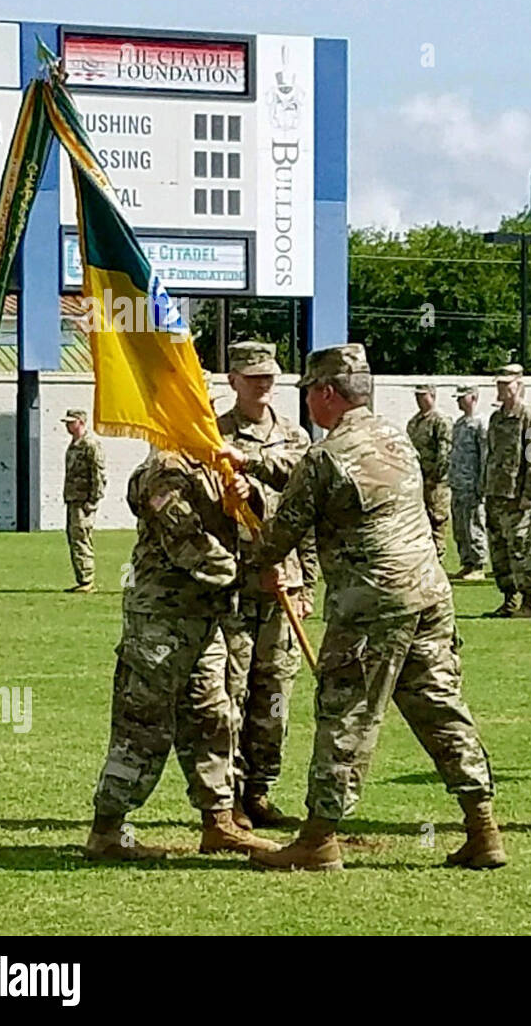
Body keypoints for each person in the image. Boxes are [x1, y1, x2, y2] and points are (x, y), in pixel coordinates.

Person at [229, 344, 504, 871]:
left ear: (327, 393)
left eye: (309, 390)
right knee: (440, 708)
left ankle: (318, 838)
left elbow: (287, 526)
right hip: (427, 593)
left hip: (370, 604)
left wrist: (260, 564)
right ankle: (482, 827)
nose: (307, 400)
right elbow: (313, 480)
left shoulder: (326, 456)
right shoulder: (394, 438)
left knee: (345, 716)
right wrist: (257, 462)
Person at [83, 448, 277, 861]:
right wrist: (249, 572)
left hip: (205, 616)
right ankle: (107, 830)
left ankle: (220, 823)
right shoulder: (165, 469)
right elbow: (188, 544)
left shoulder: (212, 466)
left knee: (213, 717)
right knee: (143, 723)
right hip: (162, 622)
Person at [217, 340, 317, 829]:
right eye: (252, 375)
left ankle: (260, 789)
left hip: (283, 582)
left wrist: (309, 587)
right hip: (233, 583)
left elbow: (307, 511)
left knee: (275, 693)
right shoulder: (212, 435)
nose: (263, 383)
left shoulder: (295, 437)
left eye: (269, 375)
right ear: (232, 379)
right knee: (230, 691)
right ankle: (228, 796)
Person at [484, 364, 531, 618]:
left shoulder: (529, 417)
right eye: (499, 384)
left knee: (521, 550)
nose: (501, 390)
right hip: (495, 493)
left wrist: (529, 495)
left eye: (506, 385)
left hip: (516, 497)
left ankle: (530, 600)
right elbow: (490, 454)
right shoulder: (496, 417)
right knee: (499, 552)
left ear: (519, 386)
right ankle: (509, 600)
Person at [407, 384, 454, 562]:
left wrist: (436, 476)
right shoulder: (414, 421)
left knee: (437, 518)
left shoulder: (440, 420)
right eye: (417, 396)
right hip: (419, 480)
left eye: (423, 396)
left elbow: (445, 451)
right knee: (420, 518)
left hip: (435, 482)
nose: (419, 400)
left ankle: (438, 556)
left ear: (433, 396)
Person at [62, 408, 106, 593]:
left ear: (81, 422)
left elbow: (98, 474)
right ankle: (82, 579)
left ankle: (87, 580)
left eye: (71, 422)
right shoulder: (74, 444)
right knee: (74, 538)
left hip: (83, 500)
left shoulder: (90, 444)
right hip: (73, 498)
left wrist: (93, 499)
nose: (68, 426)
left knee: (81, 538)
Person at [449, 384, 489, 581]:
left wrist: (482, 484)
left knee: (474, 525)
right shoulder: (459, 424)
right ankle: (466, 562)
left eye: (461, 397)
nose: (458, 401)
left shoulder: (480, 424)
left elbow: (484, 456)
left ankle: (478, 564)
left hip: (472, 483)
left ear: (473, 398)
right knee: (460, 527)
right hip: (458, 483)